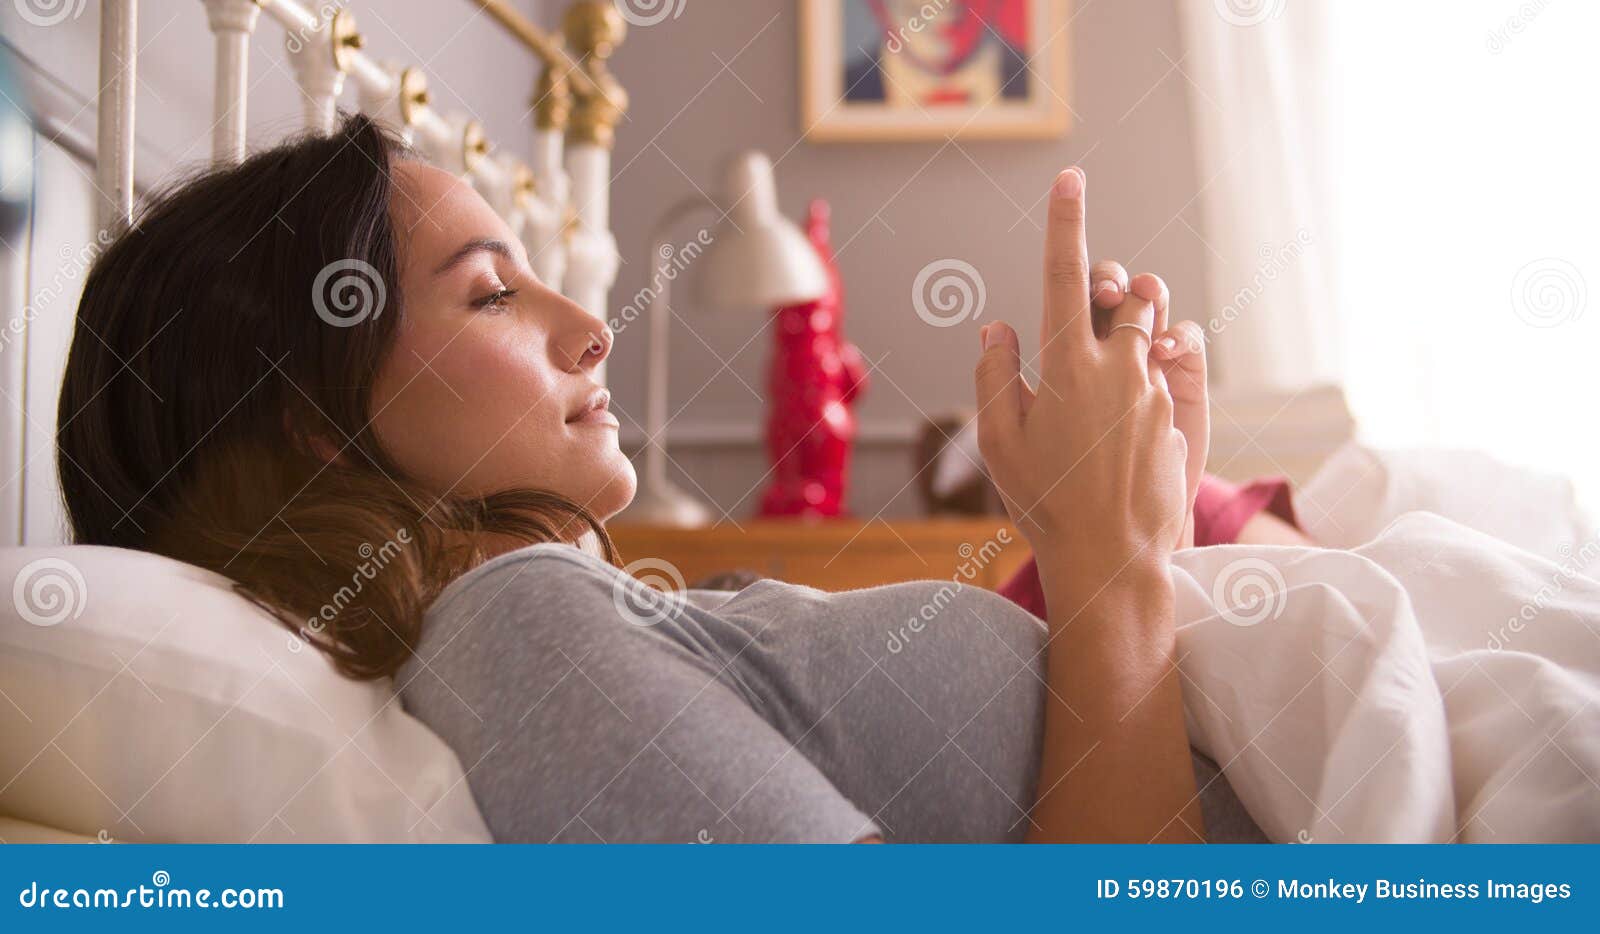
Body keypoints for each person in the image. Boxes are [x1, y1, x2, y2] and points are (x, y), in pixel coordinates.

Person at [60, 115, 1247, 843]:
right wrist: (1115, 575)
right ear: (313, 421)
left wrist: (1139, 533)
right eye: (489, 293)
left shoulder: (582, 621)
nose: (591, 326)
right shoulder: (514, 633)